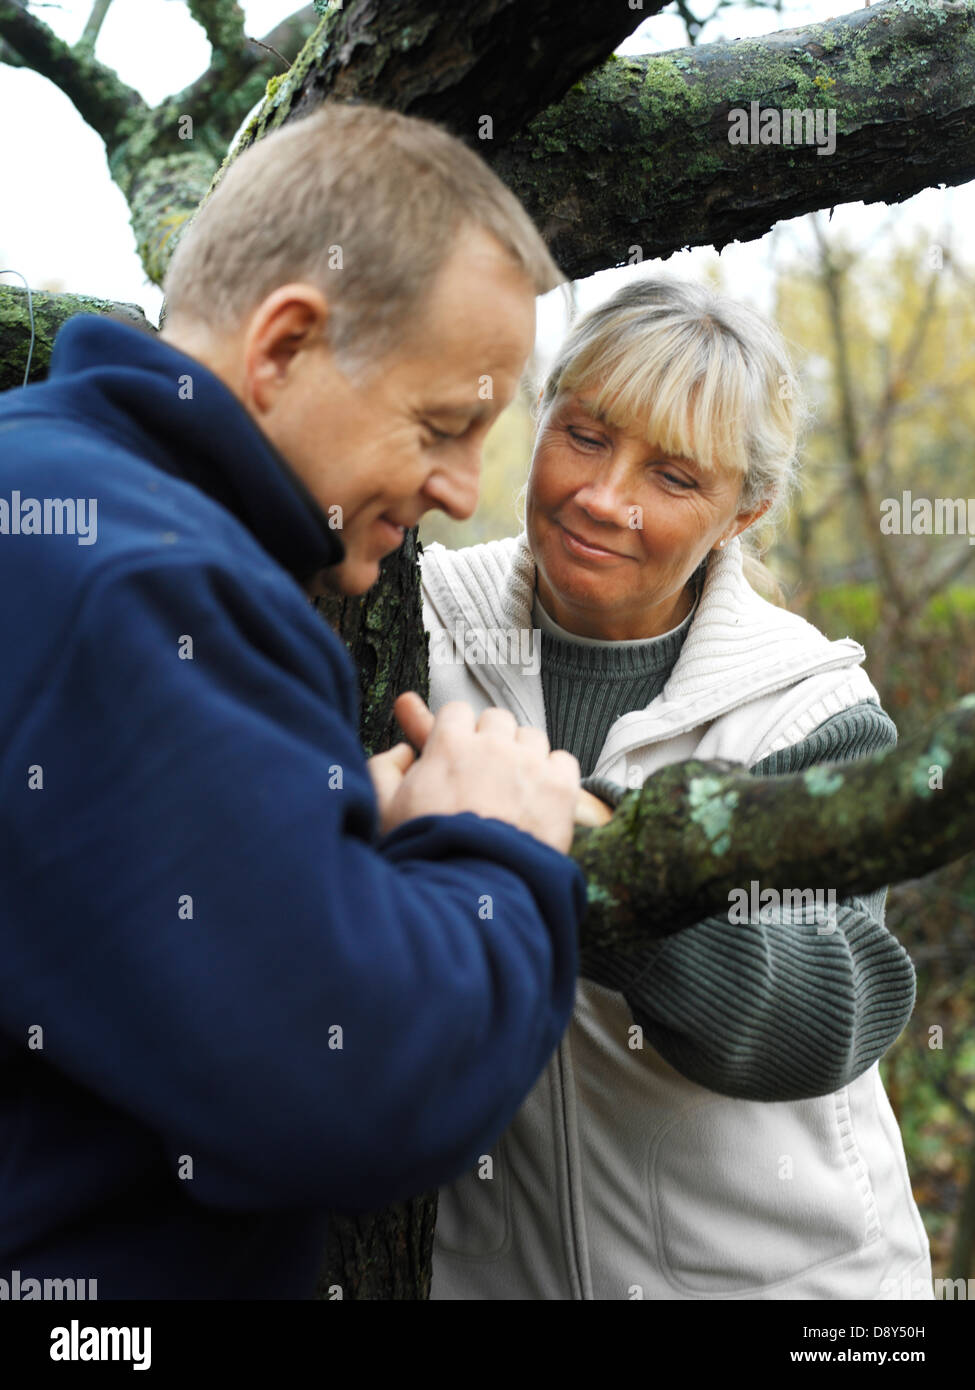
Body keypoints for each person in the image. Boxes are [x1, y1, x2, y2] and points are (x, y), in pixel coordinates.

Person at [0, 103, 591, 1300]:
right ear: (282, 349)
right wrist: (497, 848)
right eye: (443, 425)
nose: (463, 486)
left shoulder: (52, 491)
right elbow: (354, 1081)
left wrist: (306, 841)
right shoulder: (145, 582)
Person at [419, 277, 934, 1300]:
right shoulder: (421, 624)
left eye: (673, 475)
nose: (605, 498)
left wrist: (584, 850)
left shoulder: (802, 707)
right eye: (586, 435)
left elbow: (822, 1016)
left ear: (746, 508)